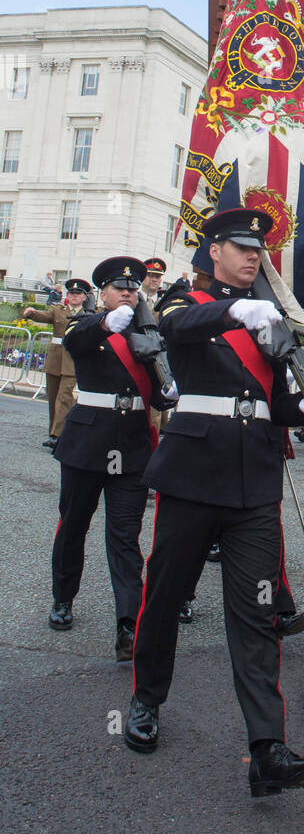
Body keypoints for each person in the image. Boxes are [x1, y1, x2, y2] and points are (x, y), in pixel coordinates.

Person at [124, 207, 304, 797]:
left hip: (253, 483)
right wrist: (234, 310)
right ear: (213, 250)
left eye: (258, 250)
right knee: (164, 594)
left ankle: (267, 749)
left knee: (256, 613)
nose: (253, 257)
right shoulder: (181, 300)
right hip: (194, 475)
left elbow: (272, 399)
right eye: (241, 247)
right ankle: (146, 699)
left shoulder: (268, 317)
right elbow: (171, 331)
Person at [50, 258, 170, 661]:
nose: (127, 294)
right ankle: (64, 597)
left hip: (132, 447)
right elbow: (74, 340)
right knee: (74, 527)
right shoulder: (90, 325)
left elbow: (158, 388)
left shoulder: (147, 332)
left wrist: (168, 389)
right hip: (87, 445)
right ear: (102, 293)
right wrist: (105, 324)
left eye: (133, 289)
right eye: (119, 288)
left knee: (124, 537)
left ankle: (128, 622)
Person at [24, 277, 91, 448]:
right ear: (67, 295)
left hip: (72, 361)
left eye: (78, 294)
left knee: (64, 397)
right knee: (53, 397)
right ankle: (53, 431)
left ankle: (58, 435)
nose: (75, 296)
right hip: (55, 360)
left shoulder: (90, 313)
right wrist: (31, 313)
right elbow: (44, 316)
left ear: (85, 297)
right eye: (72, 293)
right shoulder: (58, 310)